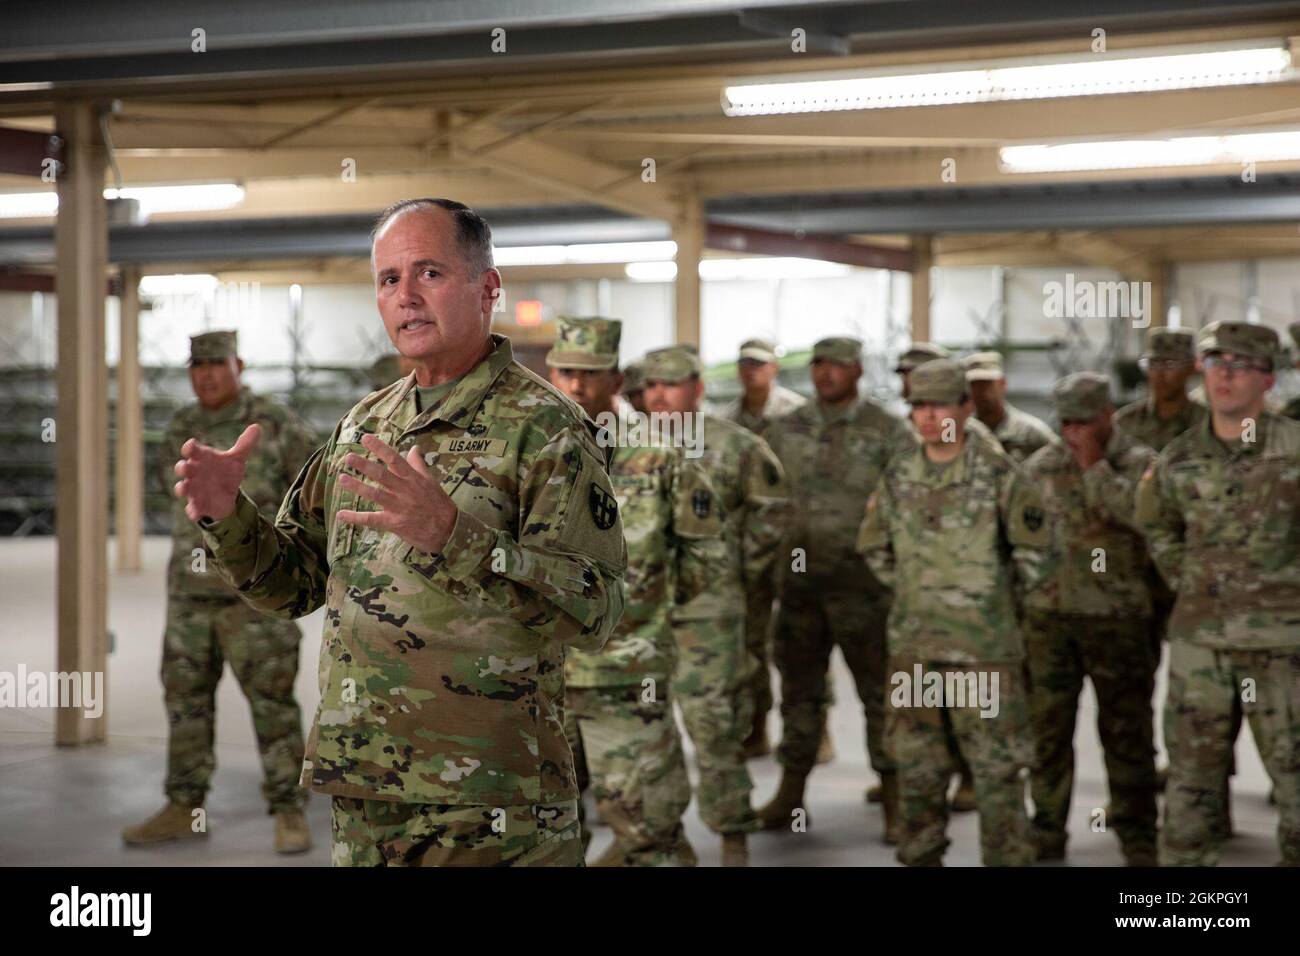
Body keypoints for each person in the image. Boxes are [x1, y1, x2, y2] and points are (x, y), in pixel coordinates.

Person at [172, 198, 627, 867]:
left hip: (493, 802)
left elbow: (597, 609)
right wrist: (228, 516)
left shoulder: (546, 428)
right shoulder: (364, 423)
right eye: (389, 279)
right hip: (368, 788)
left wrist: (454, 534)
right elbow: (293, 586)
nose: (406, 297)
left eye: (430, 273)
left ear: (486, 288)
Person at [122, 330, 317, 854]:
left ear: (239, 363)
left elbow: (314, 486)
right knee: (185, 702)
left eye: (216, 363)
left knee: (272, 703)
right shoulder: (183, 426)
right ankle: (186, 806)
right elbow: (172, 488)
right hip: (189, 595)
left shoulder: (272, 423)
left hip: (256, 593)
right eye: (197, 365)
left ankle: (288, 807)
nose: (205, 374)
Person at [857, 359, 1047, 866]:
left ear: (966, 406)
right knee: (918, 773)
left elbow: (1038, 557)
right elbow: (875, 547)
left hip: (983, 656)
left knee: (997, 776)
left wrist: (986, 604)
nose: (927, 415)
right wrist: (920, 593)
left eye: (939, 403)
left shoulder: (1001, 473)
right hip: (915, 654)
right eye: (918, 405)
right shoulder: (899, 473)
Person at [547, 316, 719, 867]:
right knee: (543, 834)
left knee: (651, 831)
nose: (576, 386)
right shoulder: (528, 454)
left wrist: (640, 616)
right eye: (566, 372)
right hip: (539, 679)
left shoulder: (660, 457)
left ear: (616, 382)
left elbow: (704, 555)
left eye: (590, 374)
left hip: (627, 677)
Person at [1137, 320, 1300, 868]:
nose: (1224, 375)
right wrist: (1186, 576)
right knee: (1189, 785)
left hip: (1282, 646)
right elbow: (1156, 524)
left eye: (1240, 365)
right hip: (1200, 644)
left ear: (1268, 379)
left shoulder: (1295, 450)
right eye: (1214, 362)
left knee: (1295, 777)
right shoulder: (1179, 458)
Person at [642, 345, 790, 866]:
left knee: (714, 726)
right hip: (641, 615)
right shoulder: (622, 446)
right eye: (652, 385)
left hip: (709, 613)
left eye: (672, 384)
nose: (659, 395)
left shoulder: (736, 445)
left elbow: (773, 510)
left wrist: (739, 570)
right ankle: (652, 838)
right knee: (644, 732)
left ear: (697, 388)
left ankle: (732, 836)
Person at [761, 336, 911, 842]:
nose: (826, 374)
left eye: (837, 366)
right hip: (801, 589)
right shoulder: (786, 428)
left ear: (858, 371)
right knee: (800, 694)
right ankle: (790, 791)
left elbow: (907, 506)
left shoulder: (888, 431)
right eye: (819, 364)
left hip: (864, 588)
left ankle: (894, 797)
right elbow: (767, 499)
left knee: (880, 696)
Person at [1019, 372, 1159, 866]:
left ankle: (1138, 834)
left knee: (1127, 733)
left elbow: (1148, 520)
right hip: (1051, 621)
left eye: (1084, 421)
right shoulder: (1040, 466)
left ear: (1107, 416)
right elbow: (1023, 537)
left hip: (1117, 620)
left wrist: (1095, 467)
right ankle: (1047, 830)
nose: (1073, 432)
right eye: (1066, 422)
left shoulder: (1140, 464)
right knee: (1047, 732)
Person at [719, 337, 806, 757]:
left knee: (796, 642)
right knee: (750, 642)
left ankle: (809, 732)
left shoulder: (797, 415)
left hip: (795, 545)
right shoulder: (728, 419)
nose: (751, 371)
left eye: (759, 364)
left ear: (774, 368)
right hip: (751, 545)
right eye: (745, 365)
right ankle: (756, 727)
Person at [963, 351, 1057, 464]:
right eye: (974, 385)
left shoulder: (1031, 433)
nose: (980, 391)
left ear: (1003, 383)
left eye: (987, 383)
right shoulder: (960, 431)